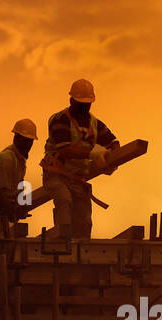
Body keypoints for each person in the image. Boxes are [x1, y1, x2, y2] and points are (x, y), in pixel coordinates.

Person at [39, 79, 120, 240]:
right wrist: (93, 154)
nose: (84, 107)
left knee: (84, 219)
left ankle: (82, 251)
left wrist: (111, 160)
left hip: (78, 177)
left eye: (87, 104)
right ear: (71, 101)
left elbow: (114, 142)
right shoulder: (60, 120)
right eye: (80, 103)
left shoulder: (95, 123)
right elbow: (65, 150)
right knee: (64, 199)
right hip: (56, 174)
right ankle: (62, 244)